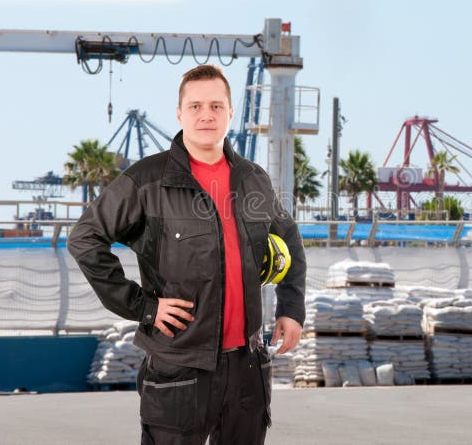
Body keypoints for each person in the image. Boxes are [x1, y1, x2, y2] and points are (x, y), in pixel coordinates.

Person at [67, 64, 306, 444]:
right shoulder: (147, 180)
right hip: (179, 367)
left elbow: (289, 239)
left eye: (215, 105)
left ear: (230, 112)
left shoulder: (252, 178)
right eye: (195, 106)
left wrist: (291, 309)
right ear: (179, 114)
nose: (206, 115)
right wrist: (144, 307)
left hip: (247, 367)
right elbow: (85, 238)